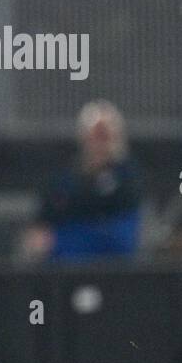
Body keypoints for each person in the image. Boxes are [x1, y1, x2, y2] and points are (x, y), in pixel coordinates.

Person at [20, 100, 141, 261]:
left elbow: (120, 239)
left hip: (112, 270)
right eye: (95, 136)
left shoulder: (127, 178)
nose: (99, 143)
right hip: (62, 273)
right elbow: (42, 225)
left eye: (105, 136)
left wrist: (60, 241)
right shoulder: (62, 180)